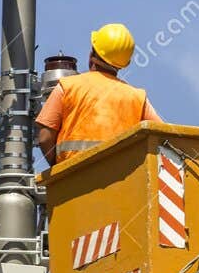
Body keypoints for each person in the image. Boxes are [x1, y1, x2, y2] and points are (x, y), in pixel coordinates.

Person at [36, 24, 159, 167]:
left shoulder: (67, 86)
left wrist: (59, 170)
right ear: (124, 64)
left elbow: (45, 138)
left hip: (74, 181)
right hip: (123, 183)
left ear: (92, 54)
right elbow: (164, 136)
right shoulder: (137, 97)